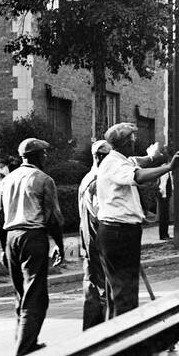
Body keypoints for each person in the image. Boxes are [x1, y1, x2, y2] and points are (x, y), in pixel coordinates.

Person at [96, 123, 179, 318]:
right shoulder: (114, 164)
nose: (134, 143)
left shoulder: (119, 159)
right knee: (125, 294)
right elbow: (138, 175)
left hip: (120, 231)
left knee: (122, 290)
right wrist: (168, 167)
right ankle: (124, 332)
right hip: (118, 232)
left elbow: (137, 161)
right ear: (124, 144)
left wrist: (151, 157)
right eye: (132, 140)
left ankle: (116, 331)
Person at [0, 137, 66, 356]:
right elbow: (52, 217)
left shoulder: (8, 179)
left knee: (20, 294)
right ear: (37, 156)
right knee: (36, 295)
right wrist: (60, 245)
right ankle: (24, 350)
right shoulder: (44, 179)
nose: (46, 156)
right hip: (33, 237)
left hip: (11, 238)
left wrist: (3, 248)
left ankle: (27, 341)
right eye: (44, 153)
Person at [77, 139, 111, 331]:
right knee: (102, 289)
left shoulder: (86, 178)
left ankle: (91, 333)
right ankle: (100, 334)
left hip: (88, 240)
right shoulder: (98, 181)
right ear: (98, 157)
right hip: (98, 240)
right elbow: (101, 214)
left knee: (92, 286)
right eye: (106, 156)